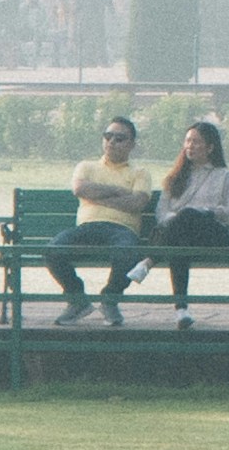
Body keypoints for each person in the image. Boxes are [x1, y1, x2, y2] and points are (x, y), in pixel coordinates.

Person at [47, 114, 157, 321]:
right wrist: (120, 191)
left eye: (120, 138)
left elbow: (137, 203)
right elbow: (80, 188)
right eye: (108, 136)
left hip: (122, 230)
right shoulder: (86, 167)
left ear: (132, 144)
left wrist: (98, 197)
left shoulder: (140, 173)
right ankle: (78, 300)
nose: (112, 141)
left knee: (128, 254)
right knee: (53, 250)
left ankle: (110, 299)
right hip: (87, 227)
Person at [147, 116, 229, 324]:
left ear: (210, 147)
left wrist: (208, 212)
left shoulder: (225, 177)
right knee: (179, 242)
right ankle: (181, 310)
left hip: (214, 235)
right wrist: (178, 218)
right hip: (181, 237)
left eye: (195, 142)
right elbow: (162, 213)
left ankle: (150, 259)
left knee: (188, 214)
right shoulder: (175, 177)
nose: (190, 146)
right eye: (187, 141)